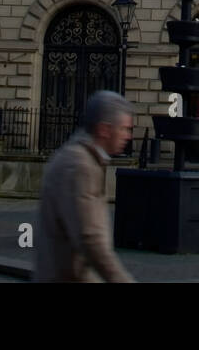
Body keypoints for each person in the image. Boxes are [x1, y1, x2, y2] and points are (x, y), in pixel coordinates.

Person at [33, 90, 137, 282]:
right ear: (105, 130)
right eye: (124, 129)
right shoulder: (80, 165)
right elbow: (90, 238)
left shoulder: (80, 158)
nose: (128, 136)